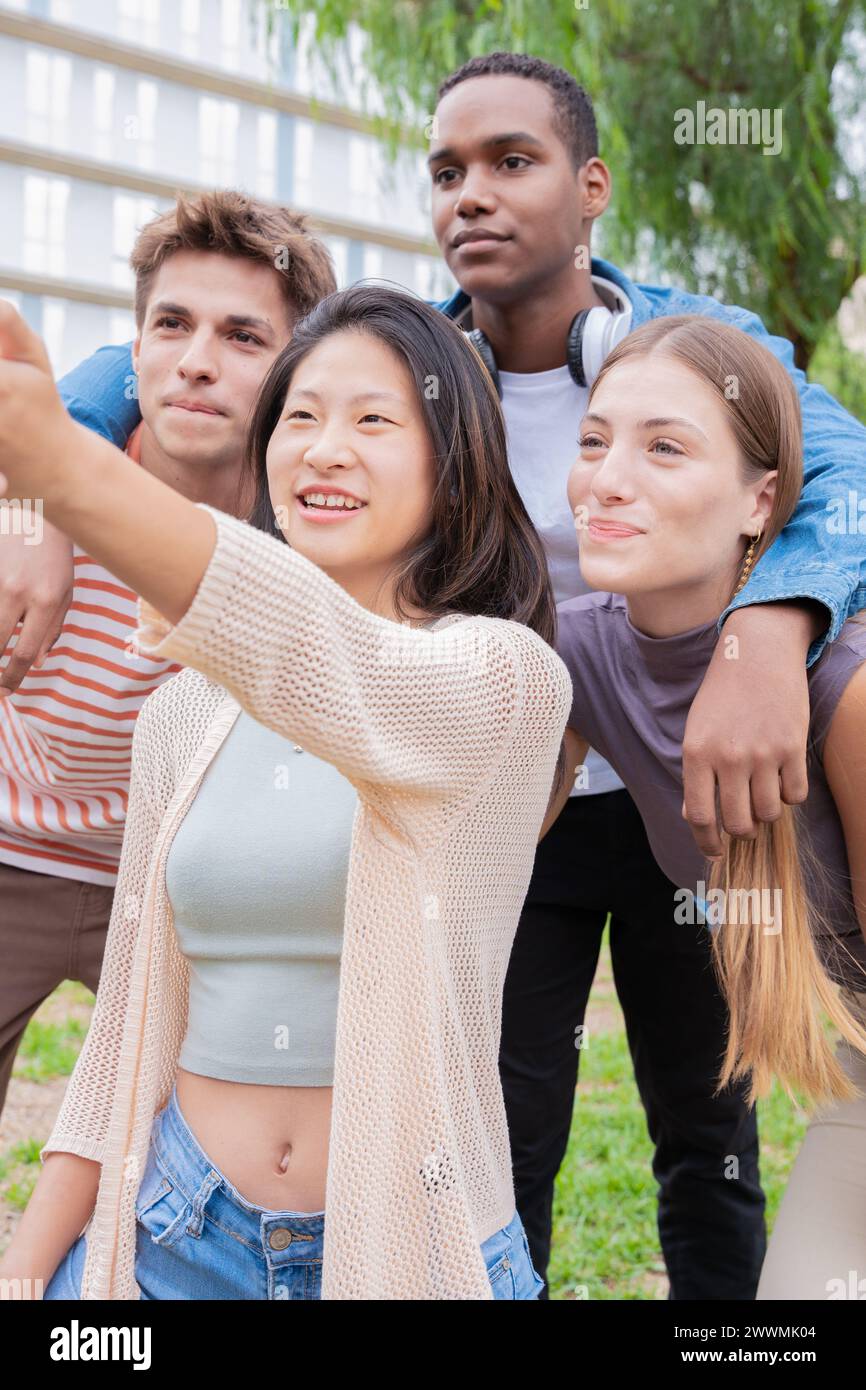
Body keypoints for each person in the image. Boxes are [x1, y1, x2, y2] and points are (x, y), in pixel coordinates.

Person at [0, 284, 571, 1300]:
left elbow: (329, 661)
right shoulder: (183, 714)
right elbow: (127, 1024)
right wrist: (32, 1262)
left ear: (455, 464)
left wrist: (66, 469)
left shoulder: (501, 680)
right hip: (175, 1235)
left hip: (413, 1245)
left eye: (372, 420)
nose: (323, 448)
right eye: (298, 417)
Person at [424, 52, 866, 1298]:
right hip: (549, 766)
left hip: (716, 782)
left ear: (591, 186)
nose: (473, 194)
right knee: (502, 1118)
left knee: (705, 1128)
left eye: (513, 162)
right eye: (447, 171)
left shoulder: (702, 347)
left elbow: (845, 475)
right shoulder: (416, 371)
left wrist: (766, 632)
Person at [546, 311, 866, 1298]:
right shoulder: (578, 652)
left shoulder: (844, 683)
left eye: (664, 447)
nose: (605, 477)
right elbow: (484, 843)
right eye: (593, 440)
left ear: (759, 499)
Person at [0, 189, 336, 1123]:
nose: (195, 363)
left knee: (185, 1155)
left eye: (242, 337)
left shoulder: (310, 531)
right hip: (9, 847)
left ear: (293, 366)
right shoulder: (30, 488)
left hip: (175, 883)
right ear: (135, 343)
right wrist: (24, 505)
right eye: (172, 326)